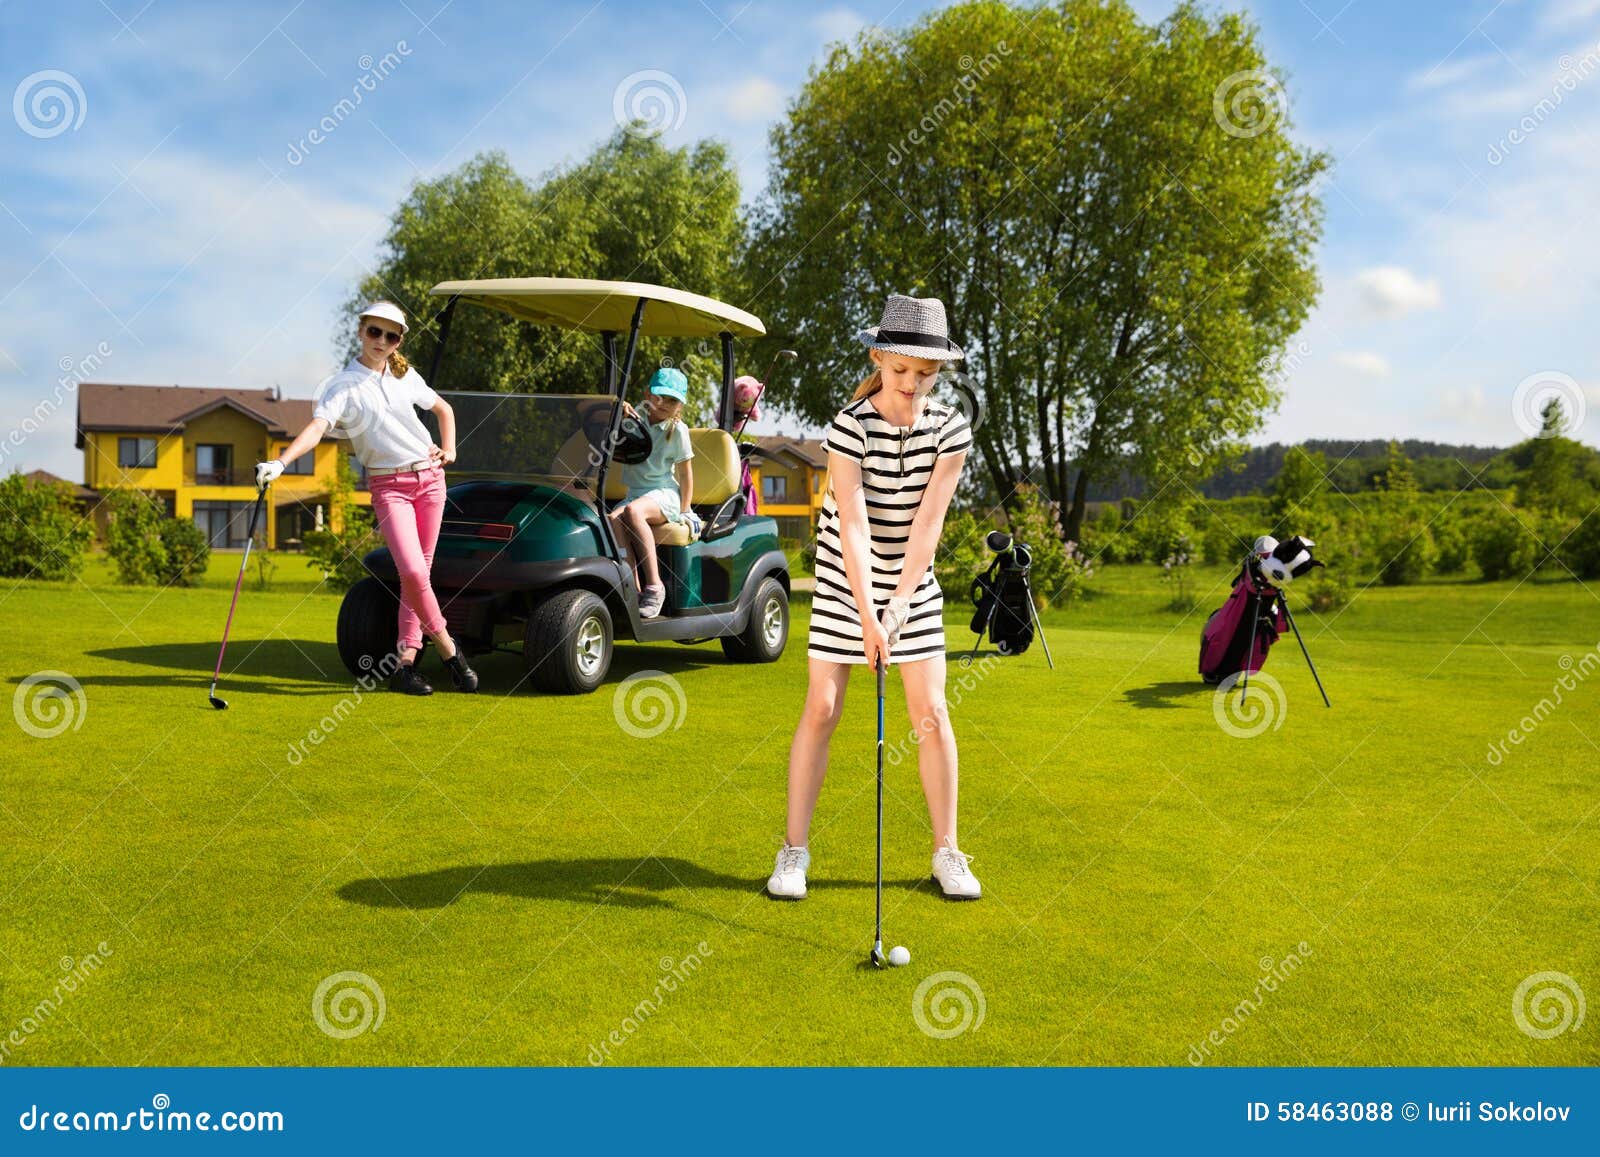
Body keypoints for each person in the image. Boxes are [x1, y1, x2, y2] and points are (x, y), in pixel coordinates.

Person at [767, 294, 978, 901]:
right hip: (843, 578)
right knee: (823, 708)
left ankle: (948, 853)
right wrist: (868, 615)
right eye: (902, 371)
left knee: (932, 714)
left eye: (927, 375)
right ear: (878, 358)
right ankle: (794, 851)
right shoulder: (849, 426)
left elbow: (928, 525)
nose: (913, 385)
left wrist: (901, 603)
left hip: (911, 577)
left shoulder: (950, 429)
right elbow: (853, 524)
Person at [256, 301, 478, 696]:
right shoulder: (342, 385)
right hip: (388, 487)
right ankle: (449, 649)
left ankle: (406, 665)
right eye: (375, 332)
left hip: (430, 482)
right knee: (410, 572)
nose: (382, 341)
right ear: (361, 331)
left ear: (399, 341)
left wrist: (451, 450)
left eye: (391, 336)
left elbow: (444, 409)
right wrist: (281, 461)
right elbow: (317, 427)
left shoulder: (404, 375)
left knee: (418, 577)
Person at [609, 367, 695, 619]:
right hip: (636, 493)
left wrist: (686, 510)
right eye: (660, 397)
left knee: (633, 512)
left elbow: (685, 474)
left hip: (664, 494)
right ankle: (632, 590)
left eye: (673, 400)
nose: (665, 404)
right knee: (612, 520)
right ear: (647, 393)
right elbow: (599, 420)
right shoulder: (635, 417)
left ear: (680, 404)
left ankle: (655, 587)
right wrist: (618, 407)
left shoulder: (678, 431)